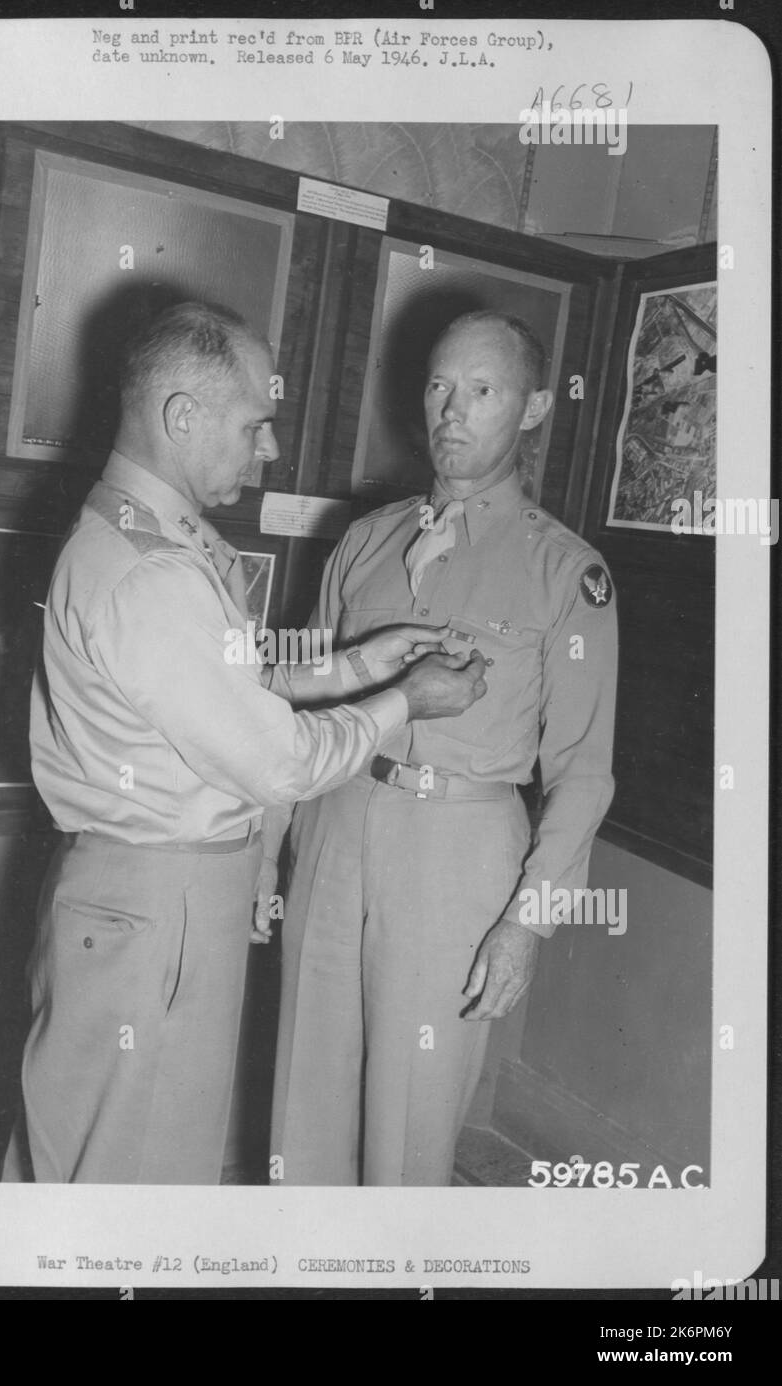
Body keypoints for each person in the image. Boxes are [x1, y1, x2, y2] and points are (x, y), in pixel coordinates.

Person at [1, 300, 490, 1185]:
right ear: (181, 416)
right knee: (131, 1178)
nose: (267, 449)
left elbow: (229, 681)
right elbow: (280, 762)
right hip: (163, 904)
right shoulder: (152, 575)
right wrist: (405, 703)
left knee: (106, 1148)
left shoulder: (142, 542)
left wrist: (353, 665)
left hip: (155, 898)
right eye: (254, 424)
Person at [265, 309, 619, 1186]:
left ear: (533, 410)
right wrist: (265, 855)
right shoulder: (364, 540)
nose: (450, 412)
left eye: (482, 391)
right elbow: (299, 706)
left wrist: (525, 922)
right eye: (436, 385)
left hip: (458, 855)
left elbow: (582, 773)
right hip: (334, 823)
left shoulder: (563, 573)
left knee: (409, 1120)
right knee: (299, 1101)